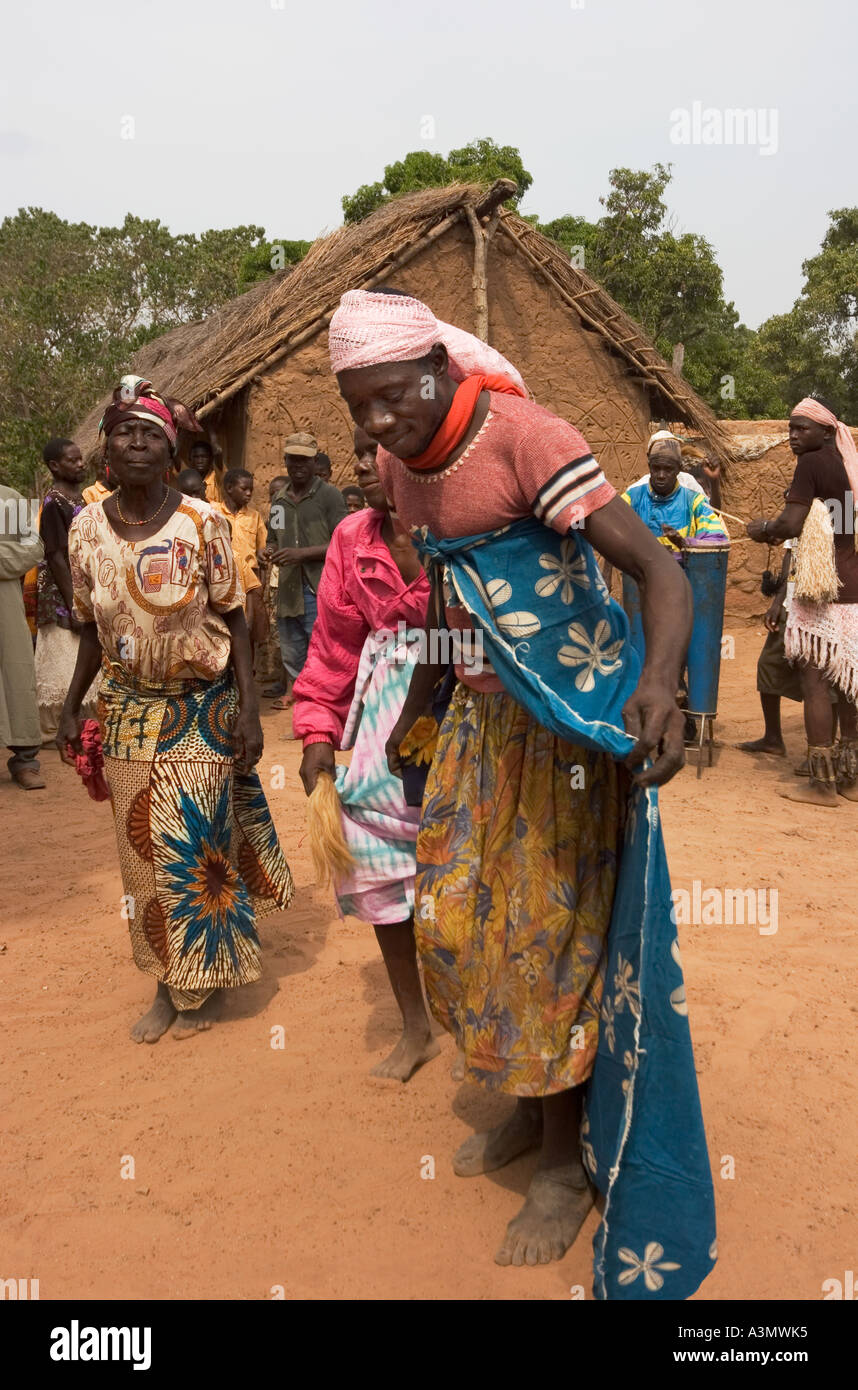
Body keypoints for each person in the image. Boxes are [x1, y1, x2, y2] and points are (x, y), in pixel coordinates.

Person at [328, 288, 715, 1297]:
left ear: (442, 368)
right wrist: (415, 716)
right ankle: (524, 1094)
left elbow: (662, 577)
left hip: (566, 734)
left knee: (545, 935)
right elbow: (450, 601)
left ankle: (561, 1159)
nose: (377, 422)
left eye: (391, 397)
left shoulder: (528, 440)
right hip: (483, 726)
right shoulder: (403, 470)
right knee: (458, 920)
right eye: (358, 406)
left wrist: (660, 689)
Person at [57, 376, 294, 1042]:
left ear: (171, 453)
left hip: (201, 707)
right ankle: (167, 981)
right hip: (129, 708)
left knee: (195, 848)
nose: (135, 443)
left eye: (150, 434)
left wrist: (250, 711)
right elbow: (87, 627)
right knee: (142, 856)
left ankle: (201, 982)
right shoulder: (83, 531)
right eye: (123, 432)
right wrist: (73, 705)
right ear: (108, 449)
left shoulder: (203, 522)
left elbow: (236, 618)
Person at [292, 428, 438, 1081]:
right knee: (379, 865)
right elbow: (333, 647)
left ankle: (482, 1023)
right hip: (383, 718)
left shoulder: (466, 525)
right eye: (351, 451)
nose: (356, 466)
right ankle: (416, 1027)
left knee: (468, 867)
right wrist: (319, 732)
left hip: (466, 703)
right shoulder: (353, 538)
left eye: (369, 450)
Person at [747, 395, 858, 805]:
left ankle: (822, 786)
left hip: (820, 589)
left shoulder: (811, 463)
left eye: (801, 428)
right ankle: (851, 778)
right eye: (790, 428)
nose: (792, 436)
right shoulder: (848, 463)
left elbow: (791, 523)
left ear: (825, 431)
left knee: (815, 683)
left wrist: (765, 529)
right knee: (848, 684)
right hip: (853, 588)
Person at [264, 433, 348, 711]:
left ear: (314, 461)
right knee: (291, 646)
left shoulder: (329, 496)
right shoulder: (279, 500)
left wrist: (301, 554)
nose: (297, 465)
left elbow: (342, 541)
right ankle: (305, 705)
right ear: (285, 460)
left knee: (321, 645)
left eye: (304, 459)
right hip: (289, 587)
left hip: (320, 585)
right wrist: (268, 551)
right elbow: (272, 538)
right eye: (293, 459)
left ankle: (324, 703)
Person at [35, 439, 99, 739]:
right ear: (55, 466)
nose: (81, 464)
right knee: (63, 657)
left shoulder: (81, 498)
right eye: (73, 461)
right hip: (62, 591)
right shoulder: (53, 502)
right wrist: (74, 601)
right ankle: (55, 729)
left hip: (81, 584)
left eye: (80, 459)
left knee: (81, 654)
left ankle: (84, 726)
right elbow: (55, 556)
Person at [0, 483, 46, 789]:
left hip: (5, 603)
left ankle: (25, 759)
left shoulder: (11, 498)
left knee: (15, 671)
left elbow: (35, 548)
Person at [620, 435, 728, 553]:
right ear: (649, 465)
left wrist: (683, 544)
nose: (661, 475)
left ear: (679, 468)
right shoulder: (632, 498)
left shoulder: (694, 501)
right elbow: (613, 537)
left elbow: (714, 539)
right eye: (656, 468)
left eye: (668, 469)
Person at [213, 468, 269, 655]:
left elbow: (261, 545)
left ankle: (249, 674)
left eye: (251, 489)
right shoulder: (213, 511)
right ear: (229, 488)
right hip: (222, 576)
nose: (249, 493)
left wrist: (263, 553)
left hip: (249, 581)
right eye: (244, 489)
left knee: (249, 627)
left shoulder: (254, 516)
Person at [187, 438, 224, 503]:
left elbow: (218, 452)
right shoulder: (188, 478)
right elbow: (175, 456)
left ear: (211, 459)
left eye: (204, 457)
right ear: (190, 459)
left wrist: (211, 430)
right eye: (196, 457)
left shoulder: (216, 477)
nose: (200, 461)